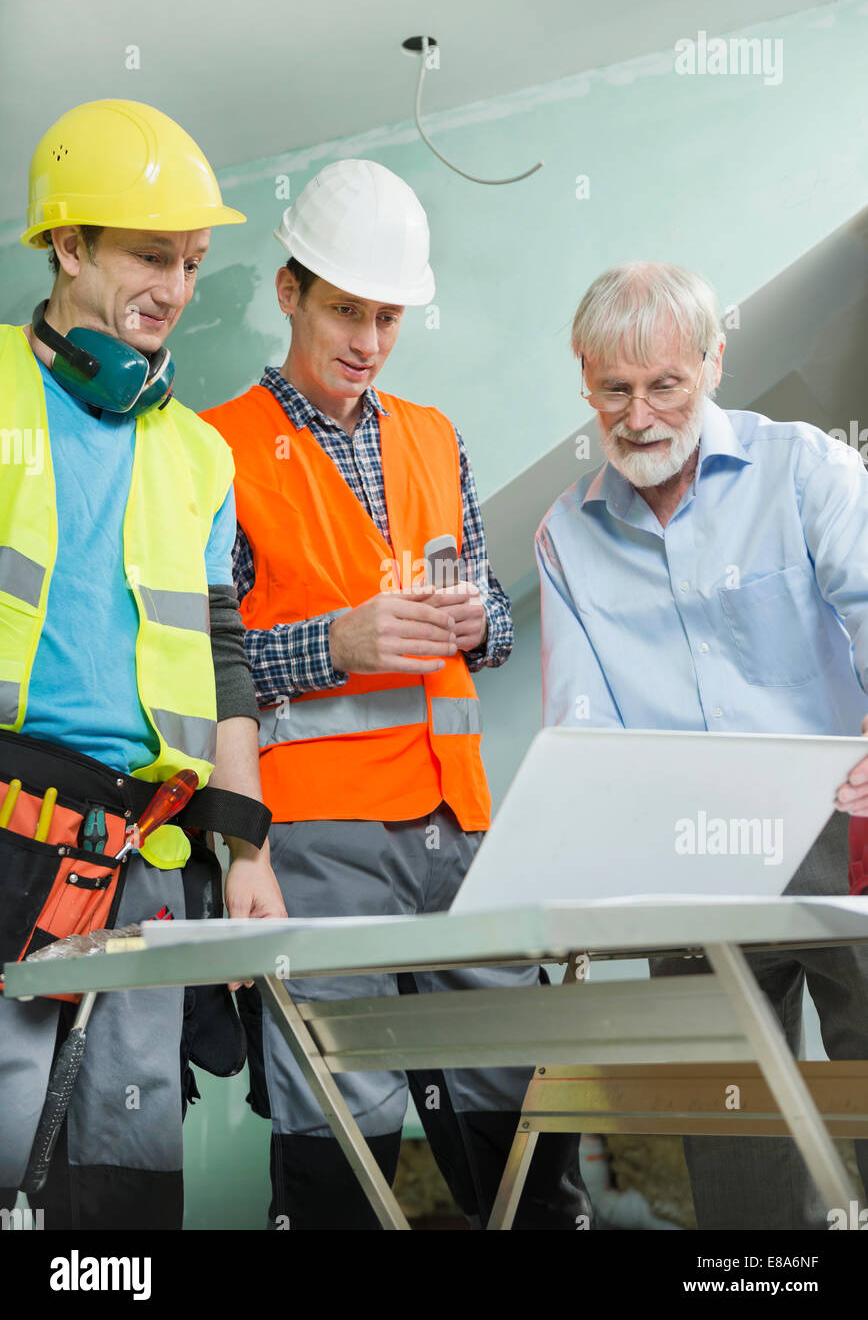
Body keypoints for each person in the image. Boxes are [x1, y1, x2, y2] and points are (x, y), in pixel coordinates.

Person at [202, 158, 590, 1230]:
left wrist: (480, 620)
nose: (367, 340)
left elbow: (493, 619)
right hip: (316, 842)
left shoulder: (434, 435)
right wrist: (337, 640)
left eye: (385, 315)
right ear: (290, 294)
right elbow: (201, 661)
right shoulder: (215, 451)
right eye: (344, 310)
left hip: (459, 826)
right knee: (340, 1113)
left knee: (517, 1102)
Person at [535, 259, 868, 1230]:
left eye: (664, 384)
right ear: (585, 380)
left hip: (839, 825)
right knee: (732, 1141)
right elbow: (582, 725)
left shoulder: (803, 467)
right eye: (614, 390)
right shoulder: (564, 534)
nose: (639, 415)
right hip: (684, 852)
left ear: (713, 363)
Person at [0, 98, 285, 1231]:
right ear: (68, 247)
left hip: (145, 855)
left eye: (193, 261)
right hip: (11, 828)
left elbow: (221, 653)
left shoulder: (197, 451)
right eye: (148, 254)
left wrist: (246, 838)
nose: (175, 286)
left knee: (124, 1172)